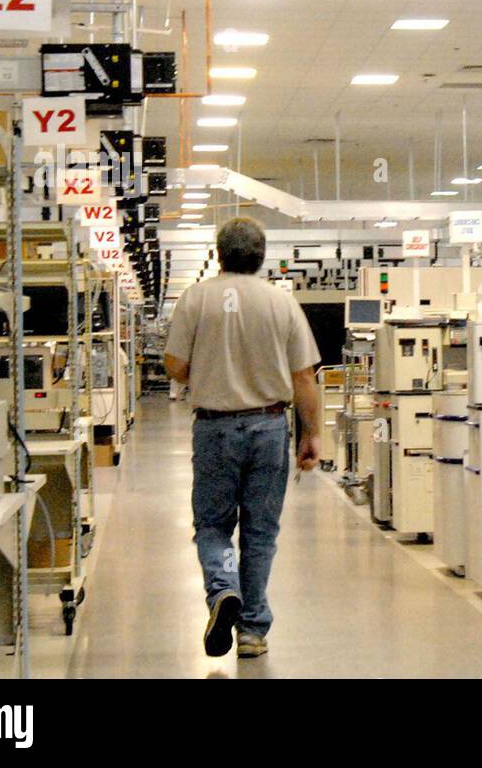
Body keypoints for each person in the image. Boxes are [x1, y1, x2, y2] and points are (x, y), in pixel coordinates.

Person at [164, 216, 321, 659]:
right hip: (270, 426)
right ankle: (251, 631)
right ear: (261, 255)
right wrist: (311, 435)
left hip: (214, 427)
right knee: (260, 532)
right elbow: (304, 376)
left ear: (219, 254)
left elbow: (174, 364)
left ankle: (222, 591)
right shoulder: (281, 302)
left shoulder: (195, 298)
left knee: (212, 525)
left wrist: (209, 369)